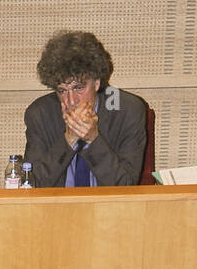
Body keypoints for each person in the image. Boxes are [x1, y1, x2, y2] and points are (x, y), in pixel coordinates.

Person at [23, 30, 147, 188]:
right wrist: (68, 140)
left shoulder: (128, 110)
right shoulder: (40, 114)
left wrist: (93, 139)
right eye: (62, 91)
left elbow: (125, 185)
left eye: (79, 88)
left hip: (109, 208)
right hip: (57, 208)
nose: (71, 101)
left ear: (96, 82)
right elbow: (33, 184)